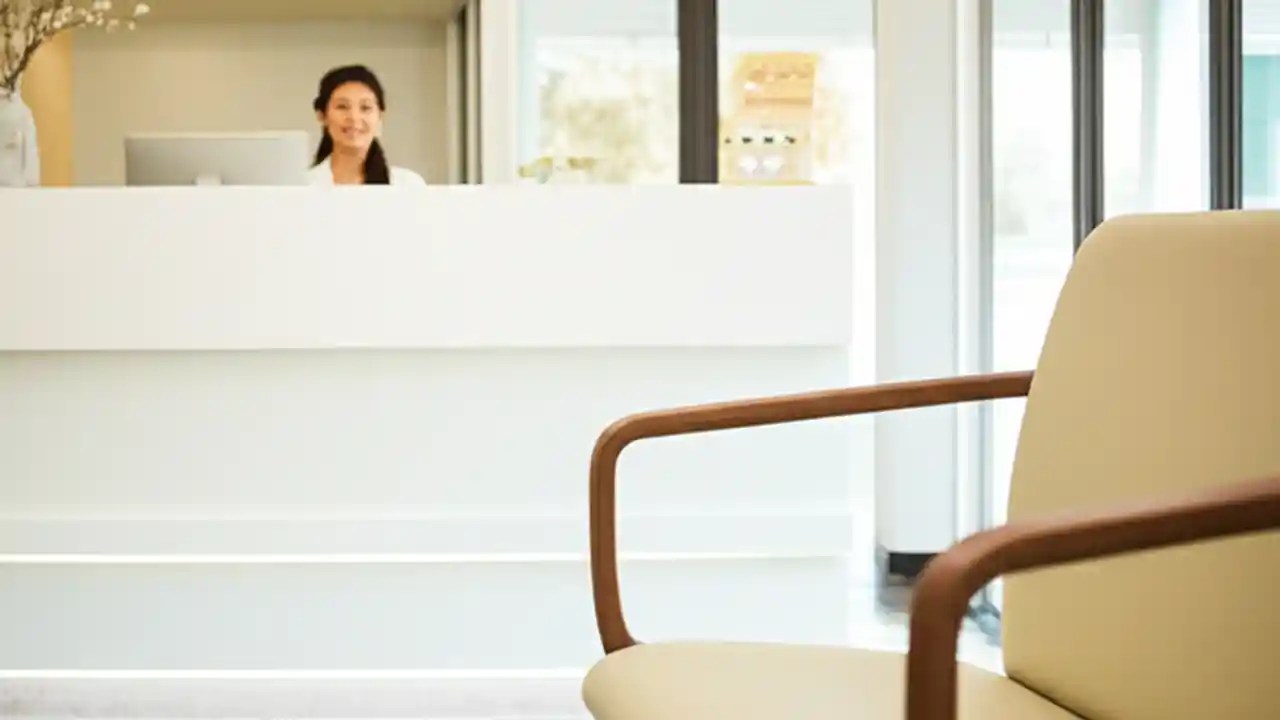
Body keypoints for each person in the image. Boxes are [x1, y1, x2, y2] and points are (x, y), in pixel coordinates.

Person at [308, 64, 427, 187]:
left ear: (380, 116)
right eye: (342, 106)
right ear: (322, 116)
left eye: (365, 108)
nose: (354, 117)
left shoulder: (408, 185)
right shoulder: (302, 186)